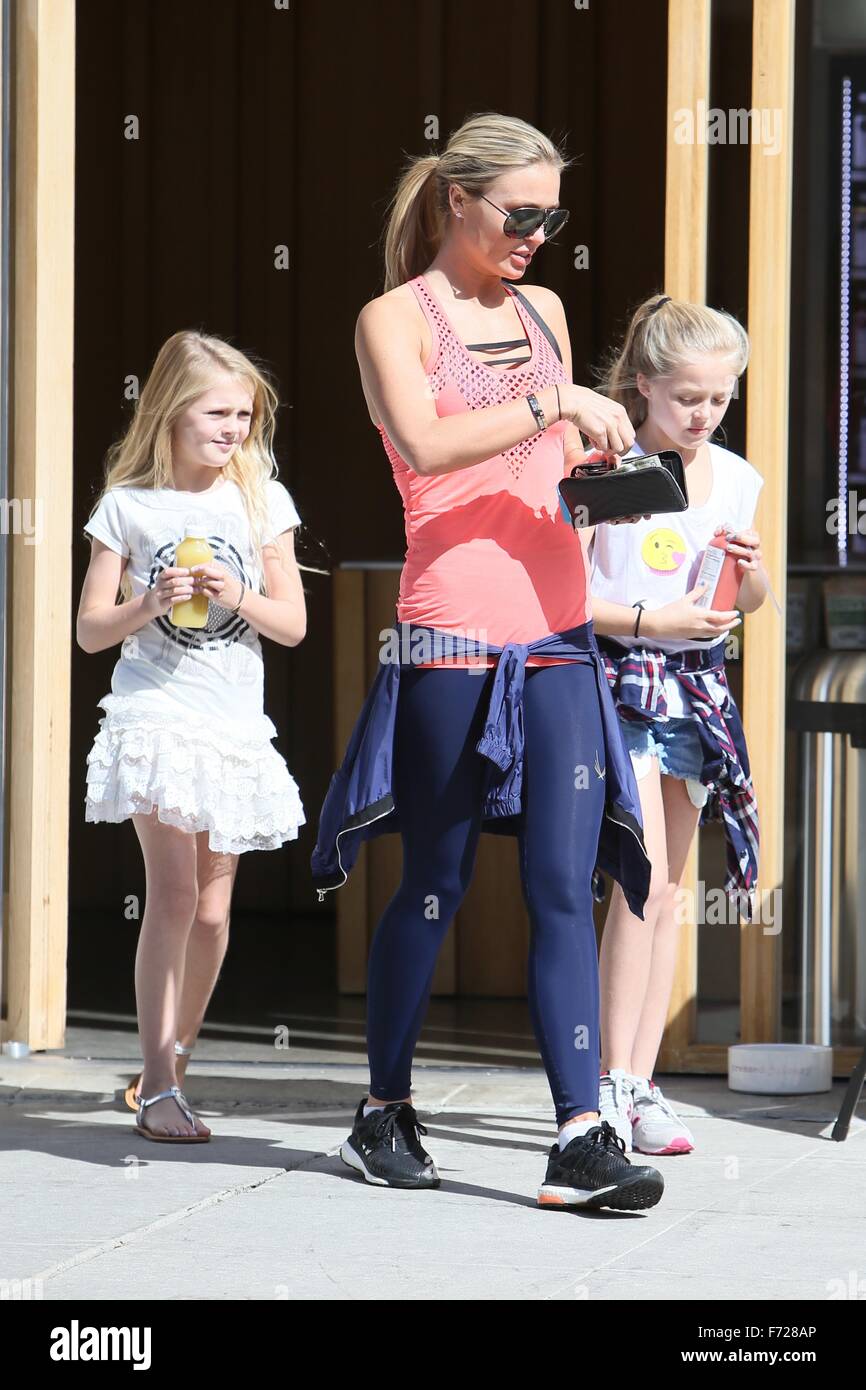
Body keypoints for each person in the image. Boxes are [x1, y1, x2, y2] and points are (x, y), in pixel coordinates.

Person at [312, 111, 664, 1212]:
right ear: (454, 200)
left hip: (558, 626)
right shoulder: (392, 319)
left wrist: (600, 461)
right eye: (520, 214)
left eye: (552, 216)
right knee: (436, 881)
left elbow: (541, 461)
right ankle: (381, 1109)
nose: (537, 236)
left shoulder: (544, 312)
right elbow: (423, 447)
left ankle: (577, 1134)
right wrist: (548, 402)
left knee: (568, 884)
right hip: (453, 630)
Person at [77, 330, 307, 1142]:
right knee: (172, 894)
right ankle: (164, 1088)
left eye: (245, 413)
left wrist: (238, 592)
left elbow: (292, 624)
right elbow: (90, 631)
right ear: (171, 410)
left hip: (233, 722)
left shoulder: (260, 500)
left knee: (213, 913)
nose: (234, 428)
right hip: (156, 714)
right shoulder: (128, 506)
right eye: (217, 411)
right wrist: (149, 600)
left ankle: (168, 1061)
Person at [587, 294, 768, 1155]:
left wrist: (751, 572)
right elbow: (563, 597)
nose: (703, 414)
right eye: (688, 396)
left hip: (695, 688)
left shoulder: (736, 478)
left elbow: (751, 601)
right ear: (644, 384)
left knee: (664, 894)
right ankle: (609, 1084)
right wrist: (645, 622)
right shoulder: (604, 466)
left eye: (720, 399)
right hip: (623, 680)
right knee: (636, 881)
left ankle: (639, 1078)